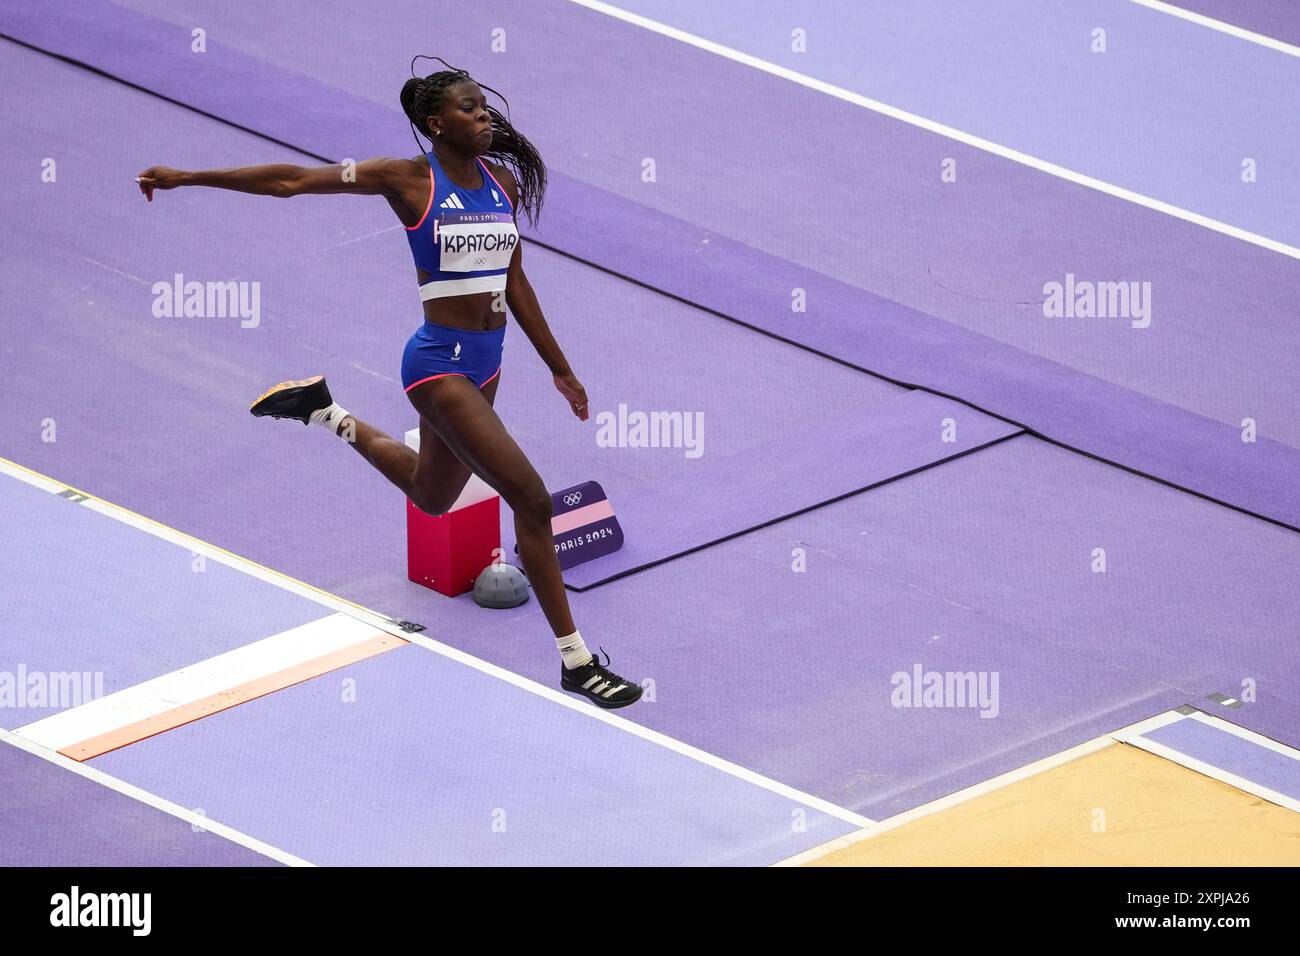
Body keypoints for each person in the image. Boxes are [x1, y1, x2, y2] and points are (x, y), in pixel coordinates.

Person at [135, 57, 643, 708]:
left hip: (488, 365)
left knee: (431, 497)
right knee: (533, 501)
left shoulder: (502, 185)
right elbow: (291, 181)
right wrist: (187, 177)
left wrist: (560, 367)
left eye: (485, 108)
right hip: (438, 366)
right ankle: (576, 660)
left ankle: (325, 412)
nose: (484, 117)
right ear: (436, 123)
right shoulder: (404, 179)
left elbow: (513, 281)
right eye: (469, 109)